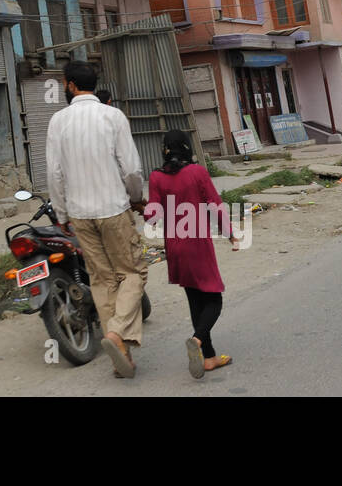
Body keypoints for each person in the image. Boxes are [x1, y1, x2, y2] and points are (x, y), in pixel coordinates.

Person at [45, 60, 147, 379]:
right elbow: (130, 169)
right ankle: (116, 334)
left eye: (64, 83)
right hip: (113, 208)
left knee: (102, 280)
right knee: (132, 273)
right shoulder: (112, 116)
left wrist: (62, 214)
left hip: (80, 214)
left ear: (72, 86)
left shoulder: (58, 121)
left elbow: (54, 174)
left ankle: (124, 357)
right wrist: (135, 197)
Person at [144, 130, 240, 378]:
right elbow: (215, 205)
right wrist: (230, 233)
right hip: (197, 244)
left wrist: (143, 208)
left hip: (175, 248)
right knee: (214, 298)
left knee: (195, 301)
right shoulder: (197, 172)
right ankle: (198, 340)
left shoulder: (156, 177)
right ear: (187, 147)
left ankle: (209, 358)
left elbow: (152, 215)